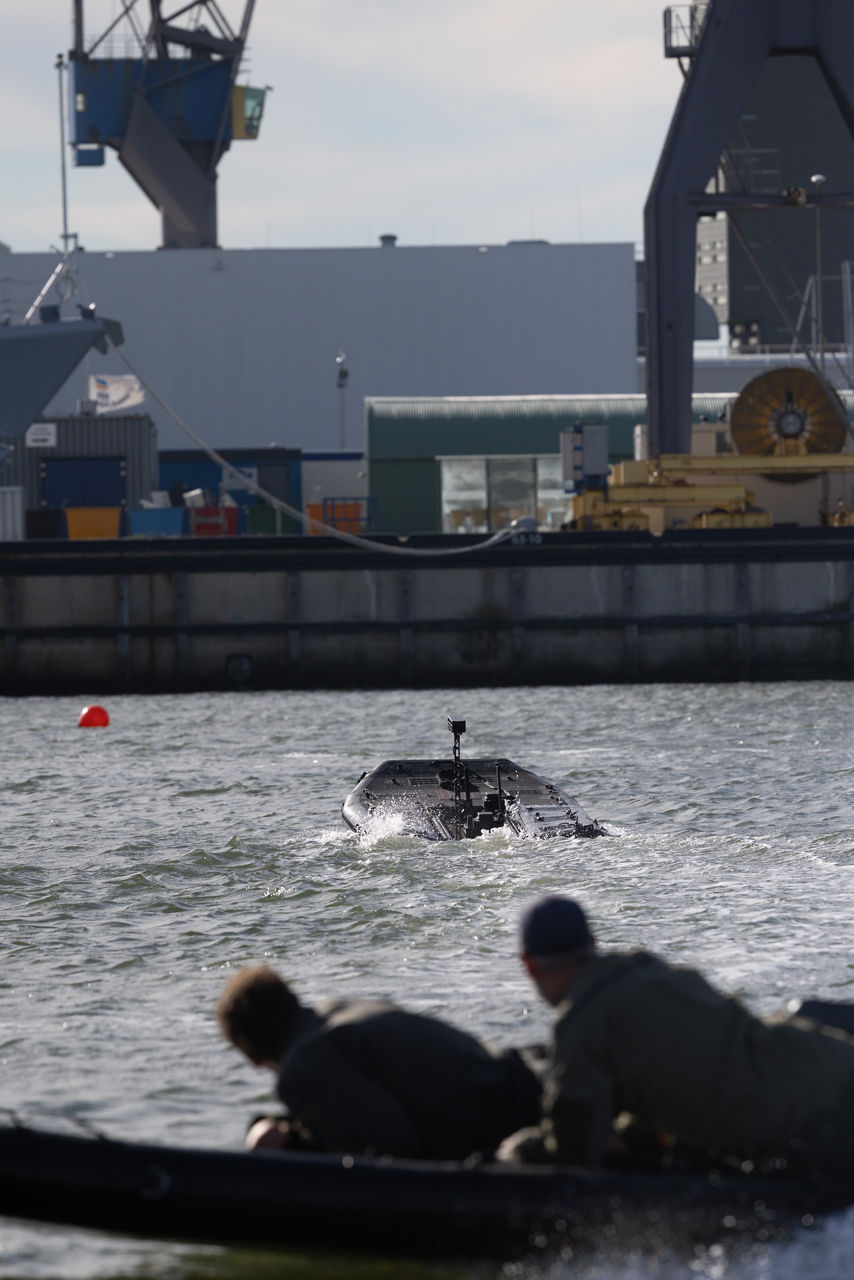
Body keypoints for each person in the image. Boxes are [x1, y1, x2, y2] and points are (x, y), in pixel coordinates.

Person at [497, 895, 854, 1174]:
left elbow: (573, 1149)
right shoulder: (656, 972)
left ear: (528, 964)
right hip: (829, 1059)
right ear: (593, 942)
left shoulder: (580, 1023)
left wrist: (518, 1150)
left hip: (809, 1123)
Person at [216, 964, 540, 1160]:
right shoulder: (336, 1011)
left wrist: (299, 1148)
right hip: (527, 1076)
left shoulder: (306, 1063)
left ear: (251, 1055)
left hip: (519, 1113)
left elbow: (396, 1147)